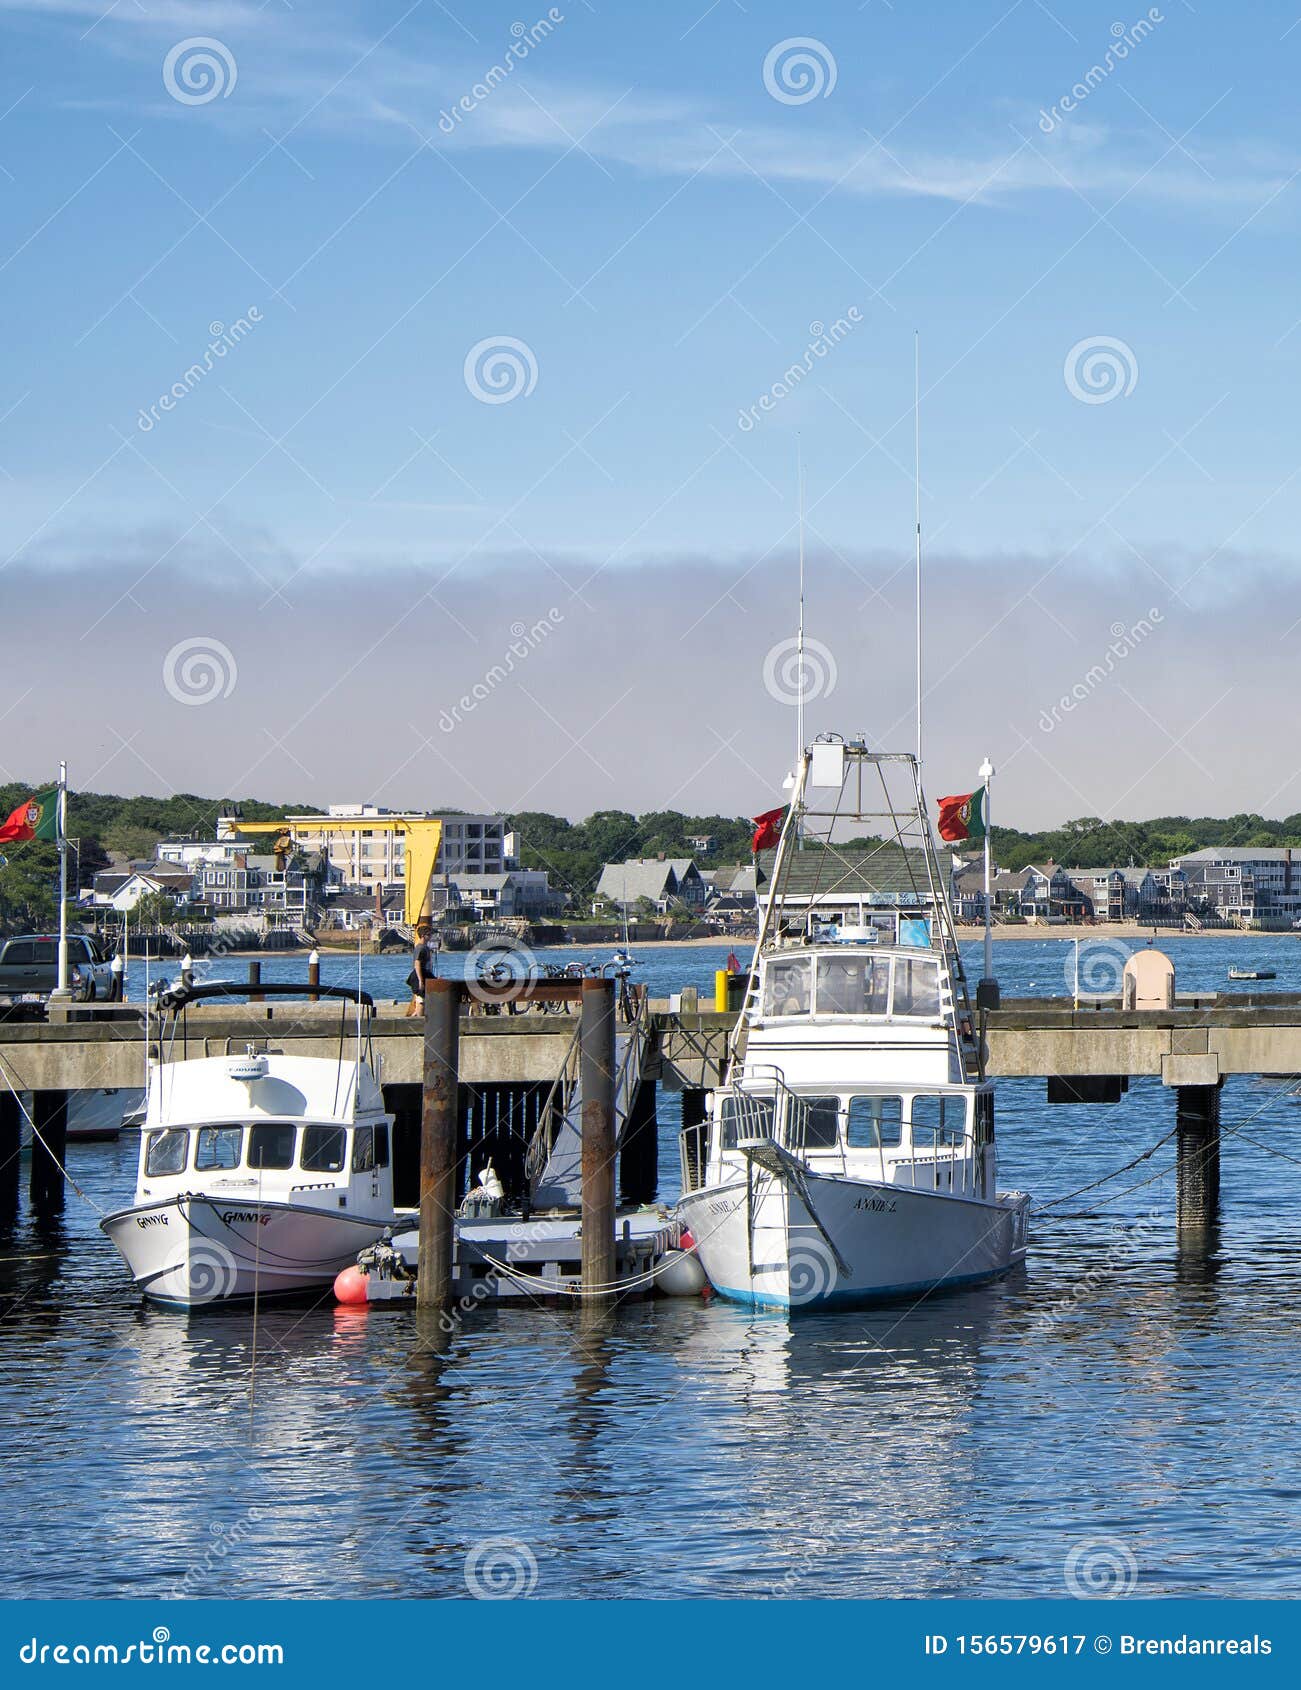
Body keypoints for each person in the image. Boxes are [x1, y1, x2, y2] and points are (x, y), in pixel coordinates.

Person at [405, 926, 436, 1017]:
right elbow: (417, 964)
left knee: (428, 997)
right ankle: (419, 1019)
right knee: (421, 999)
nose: (430, 936)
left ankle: (414, 1016)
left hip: (425, 973)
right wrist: (420, 980)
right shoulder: (420, 948)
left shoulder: (425, 947)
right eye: (429, 935)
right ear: (423, 935)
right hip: (419, 974)